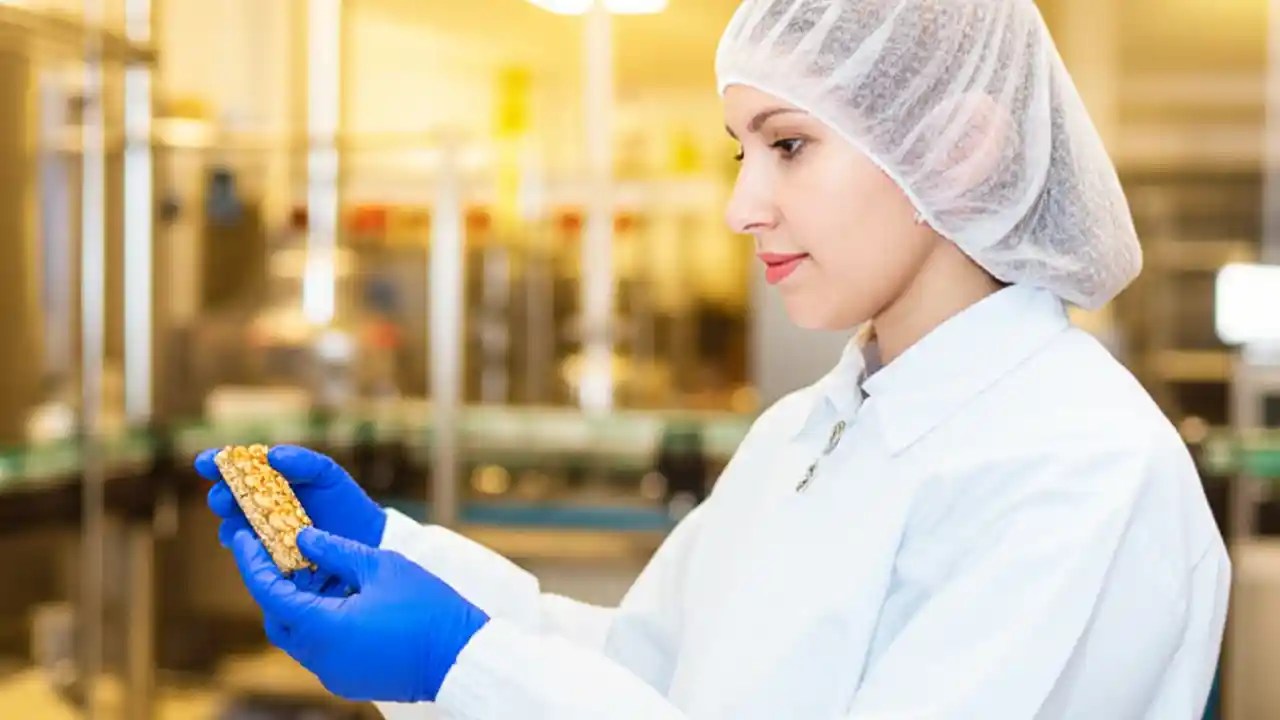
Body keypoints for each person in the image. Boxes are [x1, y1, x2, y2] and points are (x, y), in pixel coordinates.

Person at [196, 1, 1230, 717]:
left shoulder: (1077, 467)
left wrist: (461, 663)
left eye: (788, 145)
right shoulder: (808, 430)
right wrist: (398, 561)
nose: (742, 206)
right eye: (743, 151)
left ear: (958, 147)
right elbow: (648, 675)